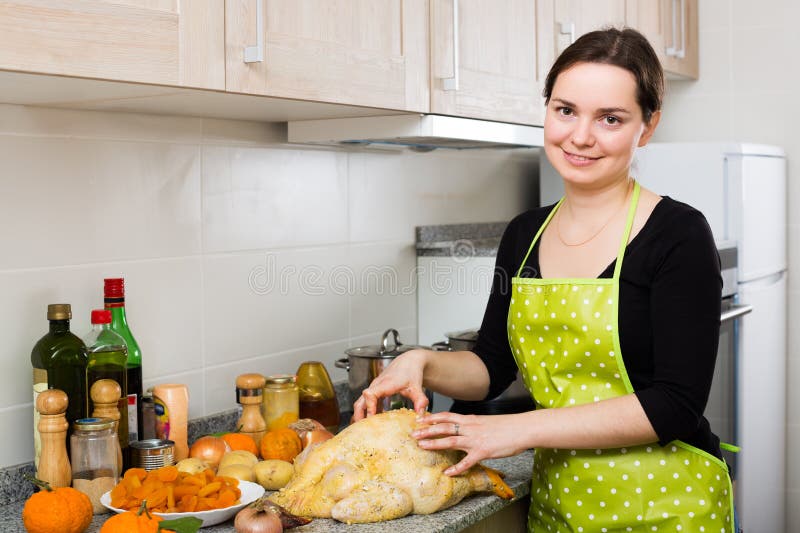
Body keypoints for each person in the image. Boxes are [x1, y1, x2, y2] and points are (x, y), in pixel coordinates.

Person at [353, 27, 735, 532]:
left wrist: (518, 430)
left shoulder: (678, 234)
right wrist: (420, 360)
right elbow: (491, 365)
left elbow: (675, 405)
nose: (579, 136)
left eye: (610, 119)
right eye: (565, 110)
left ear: (647, 126)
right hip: (560, 507)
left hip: (670, 508)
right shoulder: (524, 235)